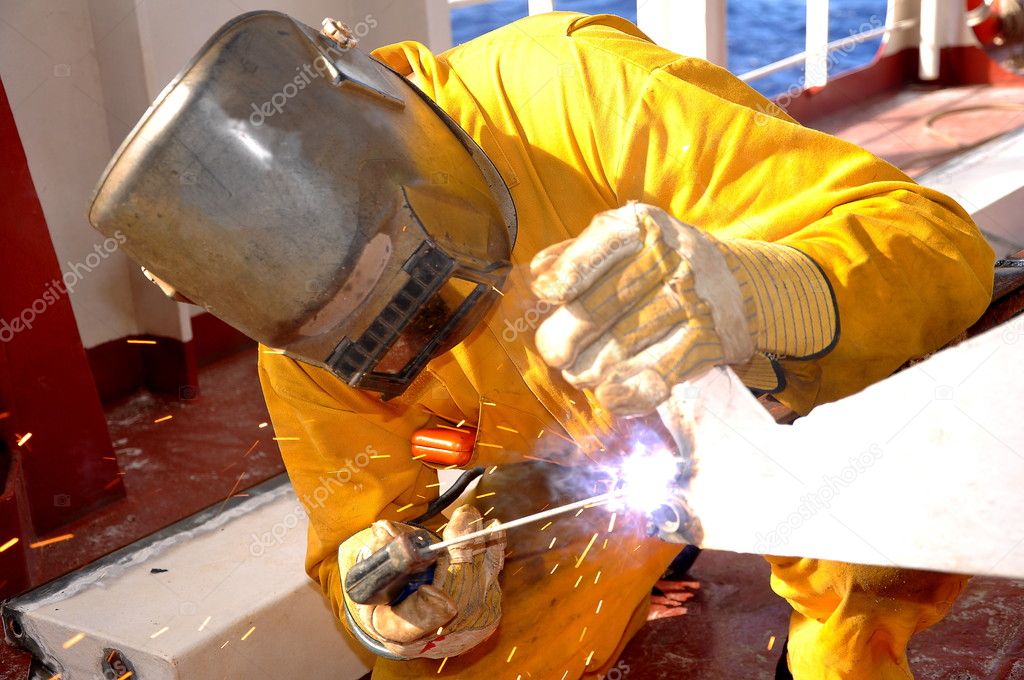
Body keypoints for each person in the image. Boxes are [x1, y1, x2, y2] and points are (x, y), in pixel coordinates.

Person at [91, 10, 994, 680]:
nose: (412, 329)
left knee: (861, 582)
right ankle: (626, 588)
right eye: (364, 333)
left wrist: (752, 293)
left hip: (765, 405)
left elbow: (933, 246)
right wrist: (393, 612)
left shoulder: (576, 90)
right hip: (581, 483)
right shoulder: (298, 339)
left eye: (405, 275)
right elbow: (351, 545)